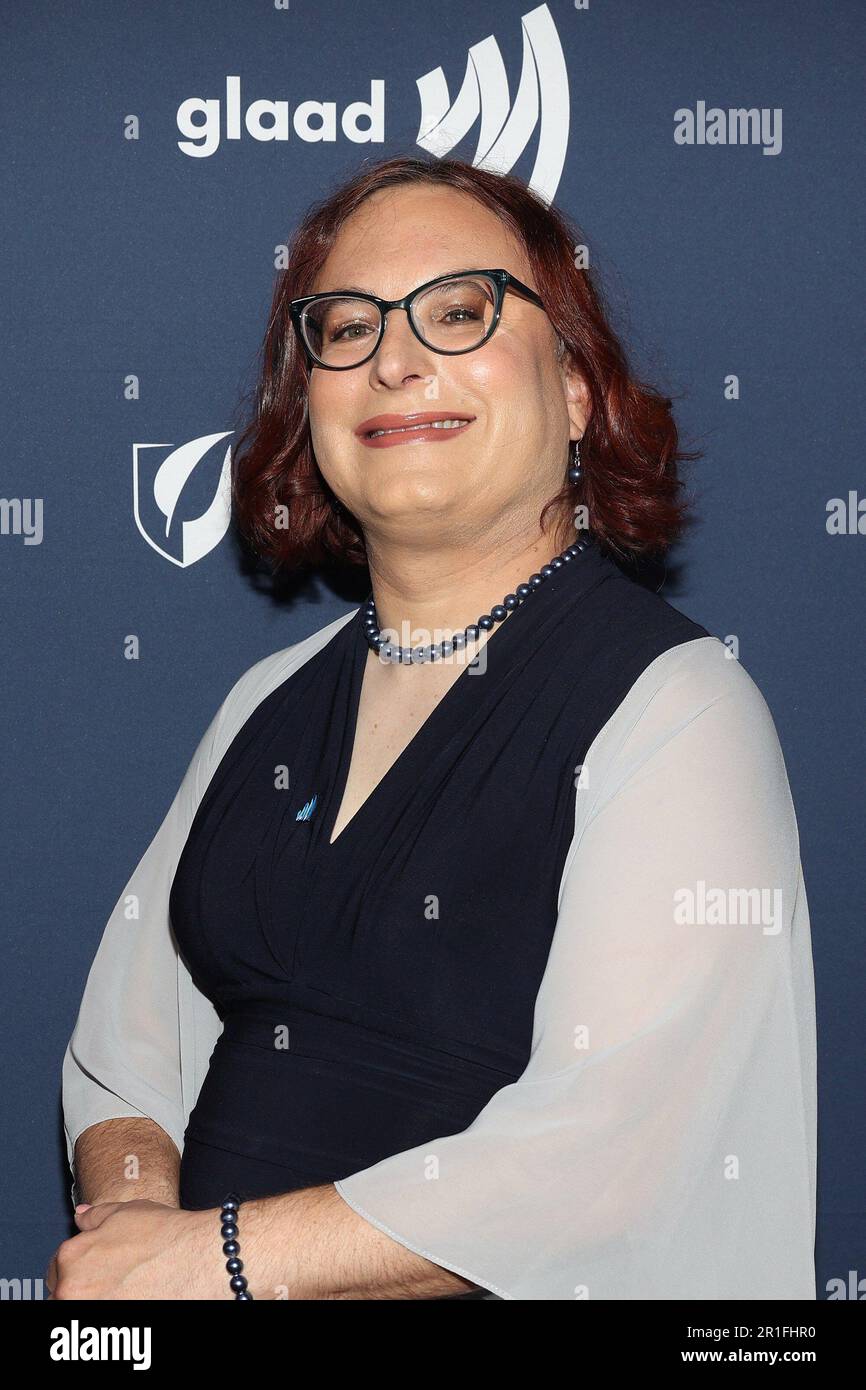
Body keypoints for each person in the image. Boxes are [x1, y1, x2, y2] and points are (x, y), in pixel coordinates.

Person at [51, 155, 816, 1301]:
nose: (395, 359)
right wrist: (129, 1224)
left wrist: (210, 1262)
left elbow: (609, 1166)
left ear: (574, 389)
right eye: (345, 329)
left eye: (458, 312)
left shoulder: (677, 707)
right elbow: (126, 1046)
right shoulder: (266, 697)